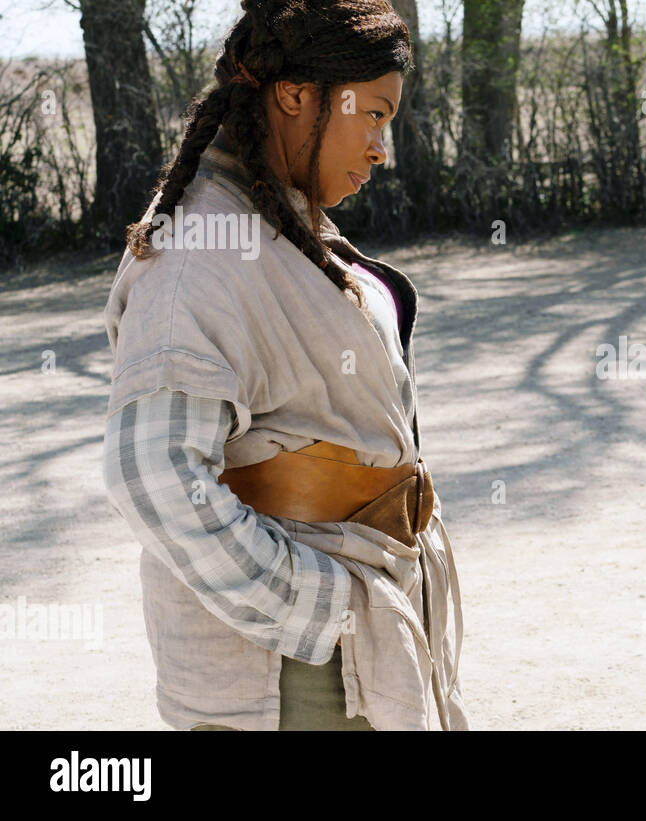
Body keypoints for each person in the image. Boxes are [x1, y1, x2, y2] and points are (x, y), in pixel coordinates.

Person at [101, 0, 467, 730]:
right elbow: (152, 475)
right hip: (289, 684)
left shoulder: (275, 226)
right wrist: (321, 607)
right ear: (297, 96)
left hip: (343, 658)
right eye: (374, 116)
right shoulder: (199, 258)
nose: (380, 149)